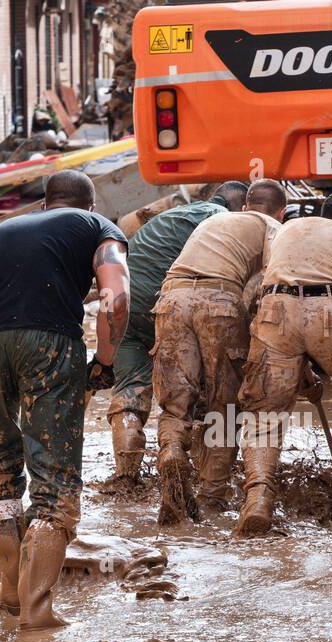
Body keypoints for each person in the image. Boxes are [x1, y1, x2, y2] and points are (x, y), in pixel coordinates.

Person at [0, 169, 129, 637]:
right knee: (54, 476)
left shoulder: (1, 230)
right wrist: (105, 360)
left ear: (45, 204)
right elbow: (117, 298)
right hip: (47, 342)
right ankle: (37, 610)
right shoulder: (99, 230)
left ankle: (10, 589)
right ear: (88, 205)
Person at [234, 190, 332, 536]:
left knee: (264, 413)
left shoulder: (289, 228)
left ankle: (258, 499)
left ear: (322, 213)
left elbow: (262, 280)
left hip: (274, 310)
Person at [153, 180, 288, 523]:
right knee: (222, 406)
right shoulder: (272, 227)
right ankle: (212, 498)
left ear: (244, 207)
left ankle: (171, 452)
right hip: (219, 302)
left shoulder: (212, 221)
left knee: (176, 399)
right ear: (281, 212)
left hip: (171, 298)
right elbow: (275, 283)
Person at [108, 180, 249, 481]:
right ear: (242, 207)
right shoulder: (227, 222)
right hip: (170, 306)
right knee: (206, 391)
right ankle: (202, 473)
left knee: (130, 389)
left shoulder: (173, 215)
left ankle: (125, 477)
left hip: (128, 305)